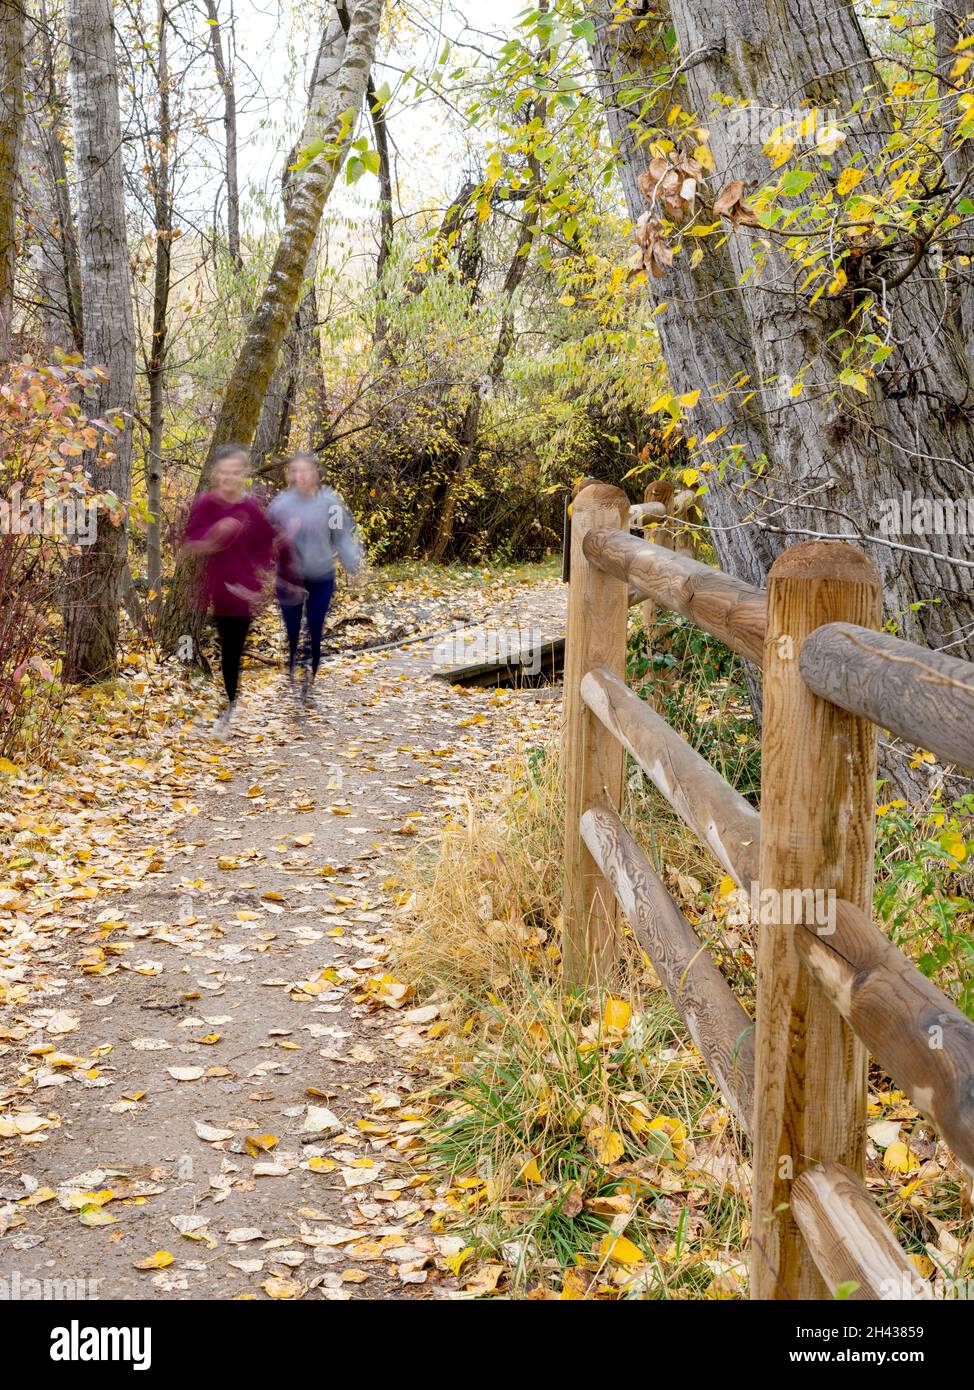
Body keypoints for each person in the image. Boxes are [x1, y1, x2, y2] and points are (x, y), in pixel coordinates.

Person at [182, 444, 275, 735]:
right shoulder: (205, 504)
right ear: (215, 474)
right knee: (227, 646)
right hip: (216, 591)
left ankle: (231, 704)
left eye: (235, 473)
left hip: (245, 591)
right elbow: (188, 545)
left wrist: (267, 581)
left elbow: (267, 547)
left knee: (233, 648)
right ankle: (229, 701)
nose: (229, 478)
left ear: (244, 474)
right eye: (224, 472)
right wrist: (216, 534)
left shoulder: (251, 508)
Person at [268, 453, 362, 706]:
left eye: (306, 471)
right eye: (295, 471)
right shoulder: (281, 505)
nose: (301, 476)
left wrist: (351, 559)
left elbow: (341, 535)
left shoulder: (329, 503)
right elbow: (266, 539)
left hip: (321, 574)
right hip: (289, 577)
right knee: (292, 628)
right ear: (289, 475)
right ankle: (292, 665)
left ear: (317, 474)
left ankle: (309, 677)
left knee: (315, 627)